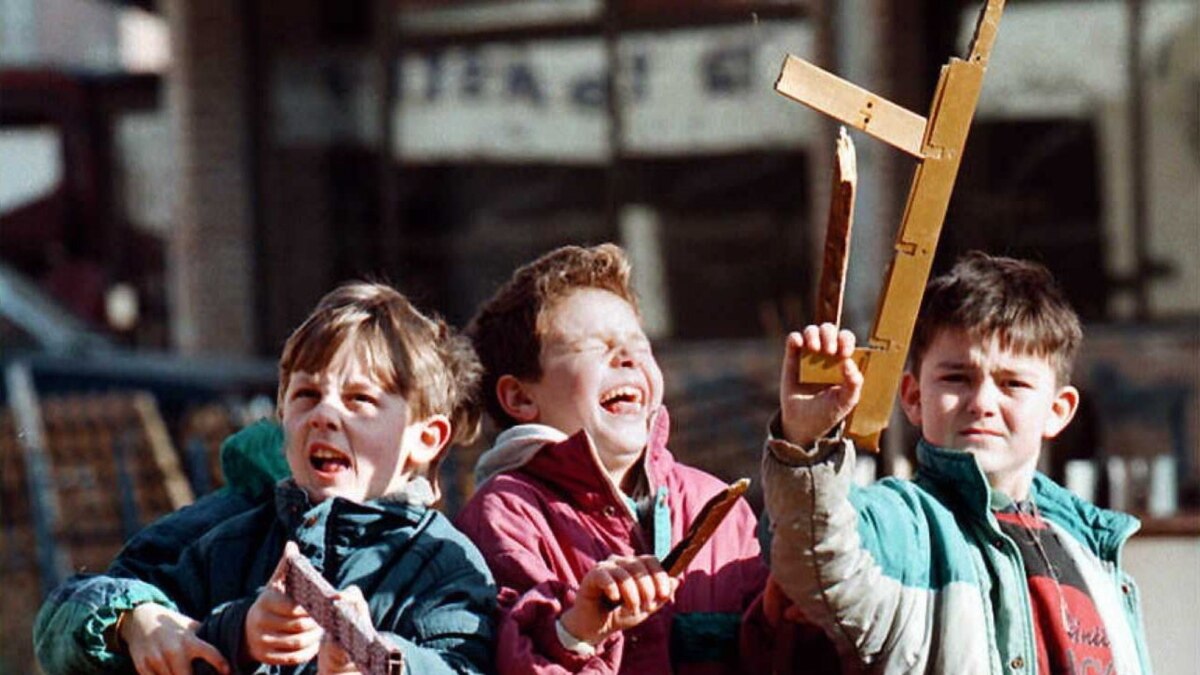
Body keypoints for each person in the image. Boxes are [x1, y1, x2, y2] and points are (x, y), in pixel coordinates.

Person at [34, 282, 497, 675]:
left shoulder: (442, 561)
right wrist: (157, 623)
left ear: (427, 438)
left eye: (360, 400)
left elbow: (465, 664)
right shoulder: (230, 537)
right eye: (307, 395)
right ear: (282, 416)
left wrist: (384, 659)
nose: (325, 414)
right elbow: (65, 621)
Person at [762, 252, 1153, 674]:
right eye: (957, 378)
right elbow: (818, 553)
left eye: (1013, 383)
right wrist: (806, 441)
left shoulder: (1091, 549)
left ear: (1058, 409)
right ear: (912, 396)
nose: (982, 403)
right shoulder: (900, 528)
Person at [453, 243, 768, 674]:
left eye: (639, 344)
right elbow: (510, 658)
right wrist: (575, 632)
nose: (627, 358)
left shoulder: (714, 503)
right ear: (521, 397)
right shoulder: (506, 515)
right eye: (592, 347)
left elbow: (778, 650)